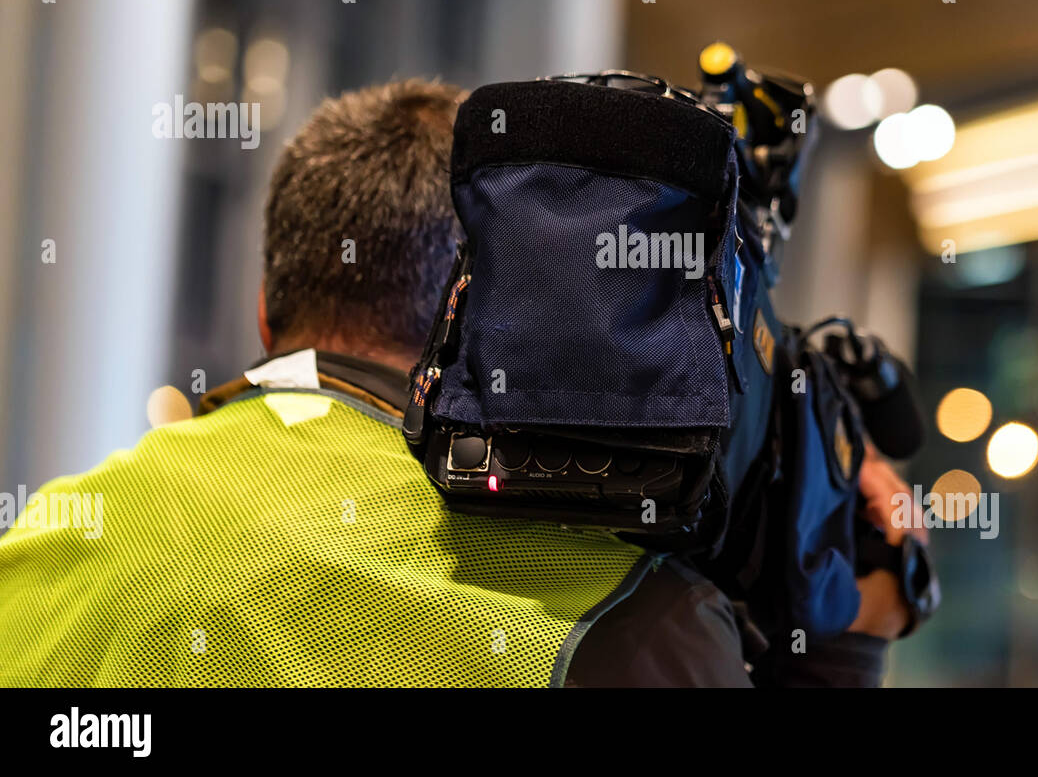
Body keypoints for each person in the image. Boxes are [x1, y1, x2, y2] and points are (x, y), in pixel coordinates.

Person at [0, 79, 923, 687]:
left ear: (263, 310)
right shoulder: (623, 621)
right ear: (488, 311)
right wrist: (847, 639)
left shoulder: (45, 540)